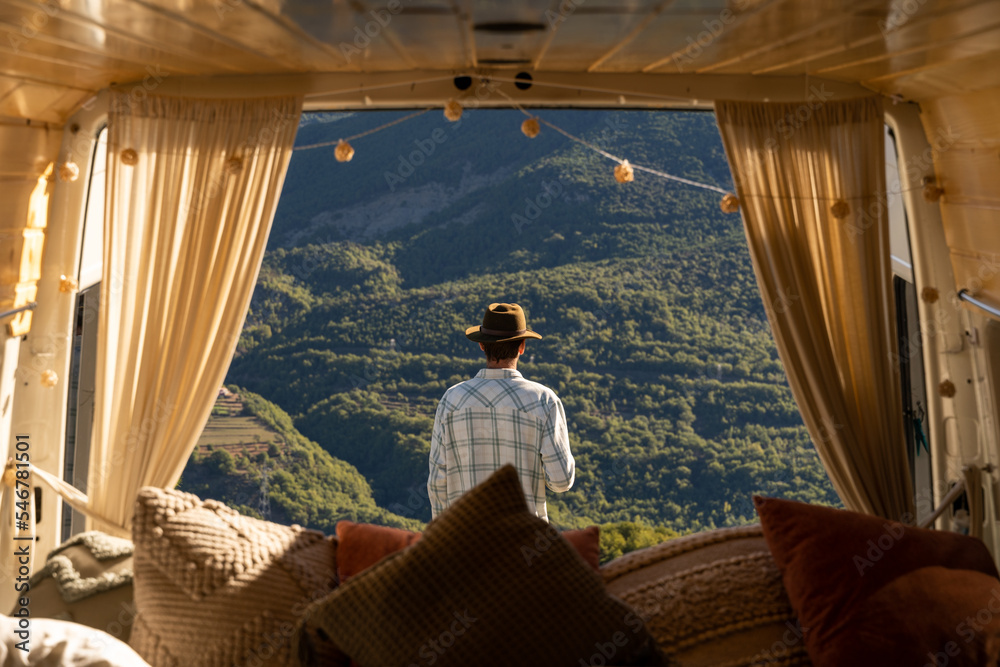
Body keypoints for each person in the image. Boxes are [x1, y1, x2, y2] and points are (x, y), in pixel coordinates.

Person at [428, 302, 575, 522]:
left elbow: (437, 482)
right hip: (523, 545)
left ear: (482, 346)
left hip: (463, 542)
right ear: (522, 346)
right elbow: (561, 482)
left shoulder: (451, 400)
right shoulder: (544, 401)